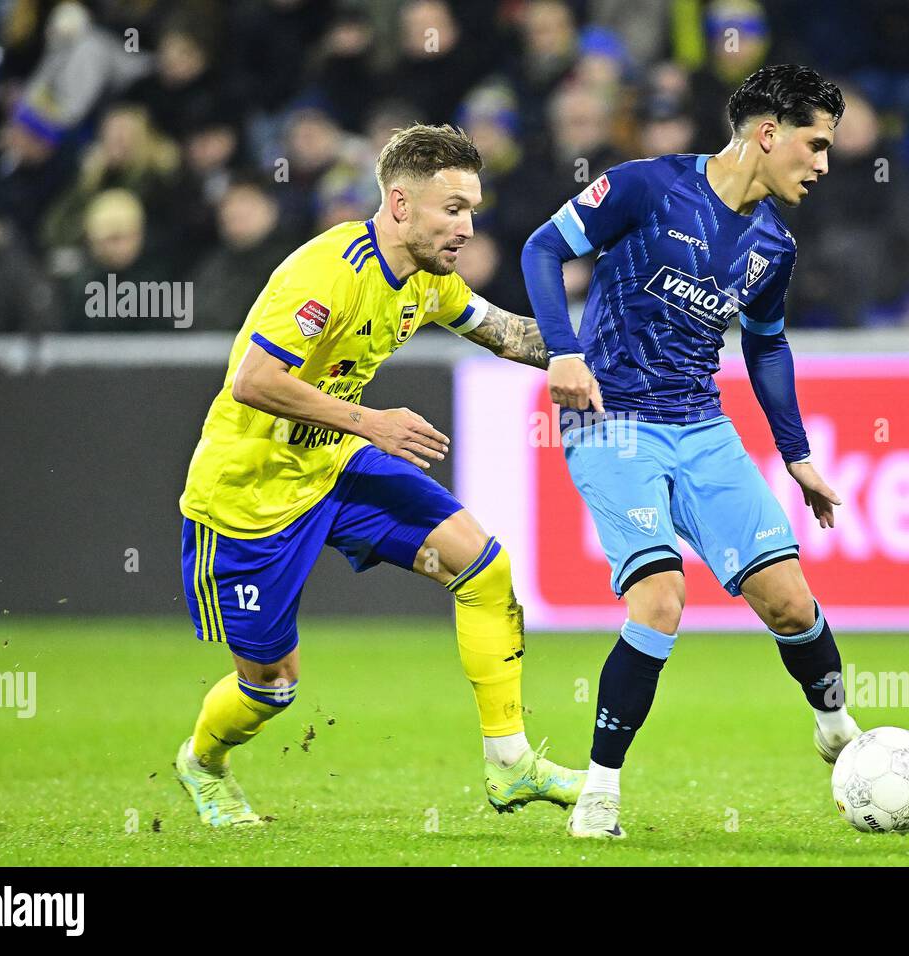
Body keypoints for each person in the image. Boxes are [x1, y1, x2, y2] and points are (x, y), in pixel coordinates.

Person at [174, 124, 584, 828]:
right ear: (399, 204)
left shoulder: (428, 279)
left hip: (336, 465)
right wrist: (370, 422)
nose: (466, 226)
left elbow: (507, 333)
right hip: (249, 497)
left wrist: (598, 348)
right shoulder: (327, 272)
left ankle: (511, 764)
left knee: (484, 571)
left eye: (473, 211)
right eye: (452, 209)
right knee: (271, 687)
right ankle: (202, 762)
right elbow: (253, 380)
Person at [521, 64, 863, 839]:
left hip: (702, 429)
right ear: (768, 134)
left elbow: (768, 350)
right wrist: (562, 352)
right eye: (814, 144)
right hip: (612, 422)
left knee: (789, 600)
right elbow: (543, 249)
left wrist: (797, 454)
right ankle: (600, 792)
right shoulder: (646, 188)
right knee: (661, 599)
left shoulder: (773, 246)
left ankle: (838, 729)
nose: (823, 163)